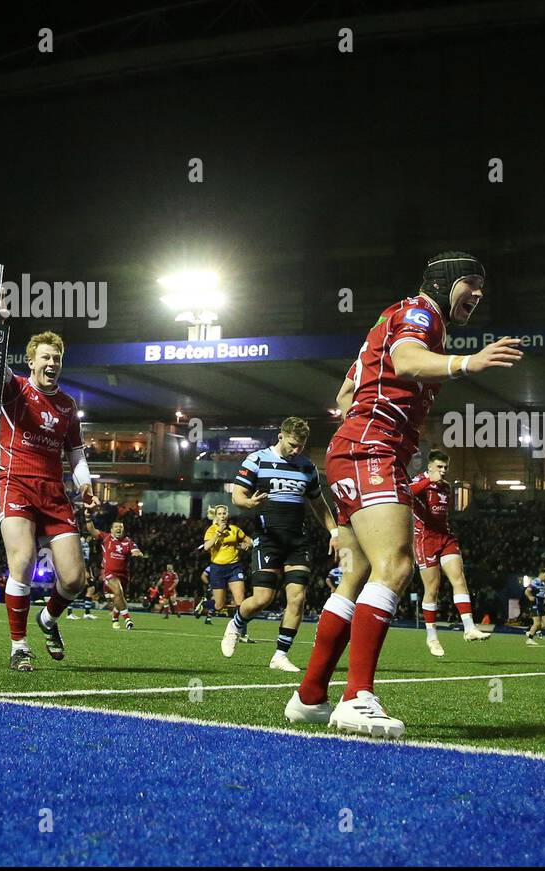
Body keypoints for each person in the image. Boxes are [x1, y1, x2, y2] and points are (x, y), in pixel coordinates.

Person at [287, 252, 522, 737]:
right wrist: (469, 362)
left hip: (358, 447)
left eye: (482, 286)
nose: (479, 293)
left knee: (355, 575)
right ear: (443, 282)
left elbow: (345, 396)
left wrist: (372, 416)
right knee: (395, 566)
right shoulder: (421, 313)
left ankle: (310, 697)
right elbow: (407, 360)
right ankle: (357, 698)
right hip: (372, 450)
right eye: (470, 282)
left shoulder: (392, 316)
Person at [0, 326, 97, 672]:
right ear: (31, 362)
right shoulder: (16, 389)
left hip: (54, 493)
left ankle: (48, 619)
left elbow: (76, 453)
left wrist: (85, 486)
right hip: (16, 484)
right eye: (46, 357)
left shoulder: (67, 406)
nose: (52, 363)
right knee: (22, 559)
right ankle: (19, 647)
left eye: (57, 358)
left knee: (74, 580)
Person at [221, 418, 337, 672]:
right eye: (293, 444)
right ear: (281, 436)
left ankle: (280, 655)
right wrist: (248, 503)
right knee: (262, 599)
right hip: (268, 538)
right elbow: (237, 495)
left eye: (301, 445)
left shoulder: (307, 467)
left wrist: (334, 531)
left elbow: (318, 504)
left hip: (298, 540)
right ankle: (236, 623)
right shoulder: (257, 460)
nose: (297, 450)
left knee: (298, 597)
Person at [409, 449, 488, 657]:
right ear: (430, 467)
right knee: (432, 588)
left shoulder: (446, 487)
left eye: (445, 467)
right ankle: (432, 637)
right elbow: (407, 494)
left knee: (459, 579)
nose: (443, 470)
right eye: (439, 467)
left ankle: (469, 628)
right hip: (425, 539)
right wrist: (428, 480)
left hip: (445, 537)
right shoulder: (419, 481)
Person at [84, 515, 144, 630]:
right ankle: (127, 619)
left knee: (119, 596)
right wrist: (88, 518)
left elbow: (135, 549)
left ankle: (115, 618)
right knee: (117, 590)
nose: (119, 529)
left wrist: (137, 553)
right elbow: (91, 530)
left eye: (121, 527)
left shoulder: (128, 542)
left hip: (124, 574)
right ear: (111, 529)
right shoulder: (106, 538)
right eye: (116, 527)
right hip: (109, 572)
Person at [200, 505, 251, 626]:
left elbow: (249, 540)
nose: (222, 516)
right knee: (219, 605)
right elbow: (206, 547)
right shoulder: (211, 530)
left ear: (227, 515)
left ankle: (241, 632)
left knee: (240, 601)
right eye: (219, 514)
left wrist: (246, 545)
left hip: (234, 567)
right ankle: (203, 604)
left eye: (224, 513)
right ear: (216, 517)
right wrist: (218, 533)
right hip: (218, 569)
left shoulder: (234, 529)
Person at [524, 568, 545, 646]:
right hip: (536, 604)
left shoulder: (543, 584)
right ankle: (530, 639)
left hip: (541, 605)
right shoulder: (535, 581)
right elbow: (527, 591)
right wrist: (530, 596)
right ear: (541, 574)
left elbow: (543, 593)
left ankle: (530, 631)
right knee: (537, 623)